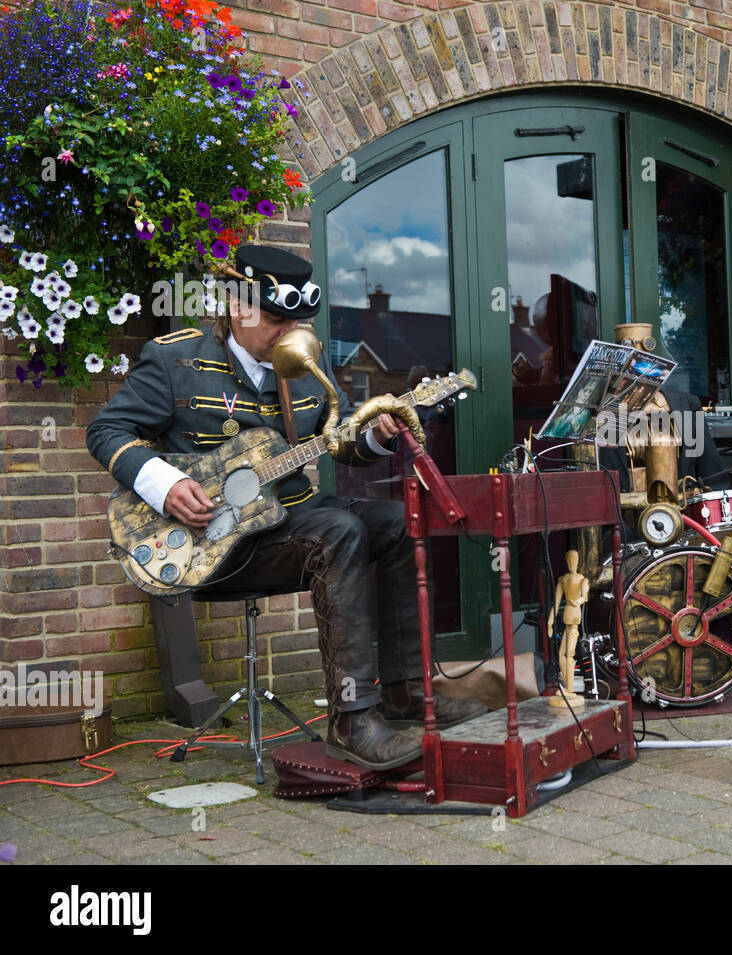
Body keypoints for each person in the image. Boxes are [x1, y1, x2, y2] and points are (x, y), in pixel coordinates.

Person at [87, 246, 484, 770]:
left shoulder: (303, 363)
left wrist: (379, 434)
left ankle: (406, 692)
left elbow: (341, 445)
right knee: (338, 530)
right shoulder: (173, 359)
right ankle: (351, 720)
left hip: (293, 518)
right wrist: (166, 486)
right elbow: (106, 430)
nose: (287, 333)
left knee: (397, 522)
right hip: (213, 545)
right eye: (275, 319)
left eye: (294, 321)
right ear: (237, 307)